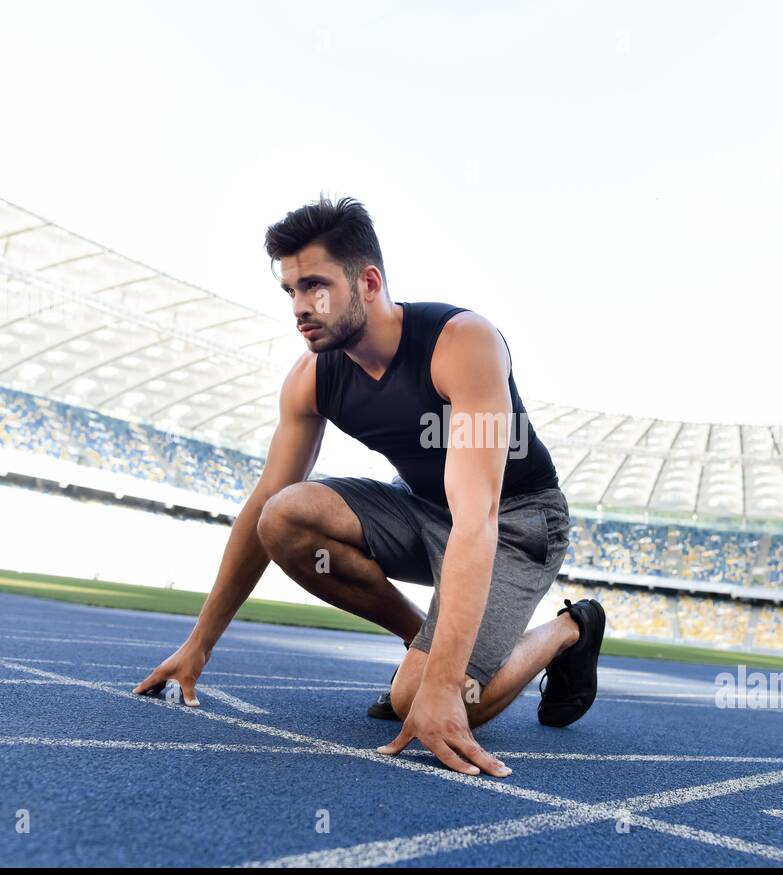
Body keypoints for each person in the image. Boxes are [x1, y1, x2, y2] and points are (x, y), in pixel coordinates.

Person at [134, 196, 605, 777]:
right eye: (290, 291)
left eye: (315, 286)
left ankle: (570, 629)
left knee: (421, 702)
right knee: (284, 515)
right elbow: (261, 506)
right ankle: (422, 645)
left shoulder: (464, 344)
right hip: (421, 509)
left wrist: (440, 686)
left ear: (370, 282)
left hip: (514, 520)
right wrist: (199, 644)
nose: (300, 308)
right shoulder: (312, 378)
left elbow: (476, 517)